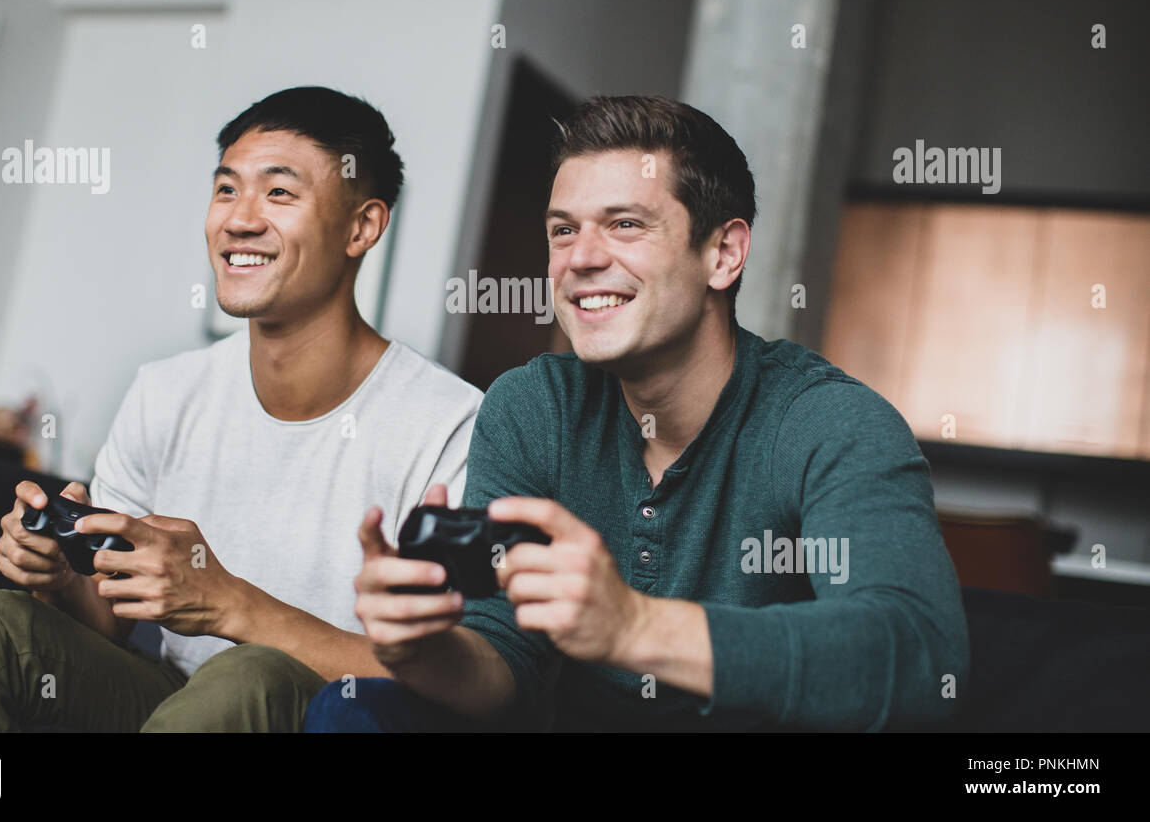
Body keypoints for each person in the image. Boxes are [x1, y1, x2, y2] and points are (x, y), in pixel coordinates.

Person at [305, 94, 969, 731]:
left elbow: (920, 656)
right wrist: (425, 653)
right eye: (563, 231)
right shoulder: (534, 405)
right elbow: (507, 660)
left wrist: (634, 626)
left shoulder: (828, 423)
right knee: (354, 704)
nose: (582, 259)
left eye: (625, 224)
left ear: (724, 254)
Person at [0, 87, 481, 732]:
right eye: (225, 189)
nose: (239, 220)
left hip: (310, 714)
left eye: (279, 193)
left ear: (363, 226)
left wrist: (229, 605)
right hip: (170, 700)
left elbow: (459, 686)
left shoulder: (449, 425)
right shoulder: (165, 391)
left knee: (250, 672)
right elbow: (111, 619)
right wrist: (61, 579)